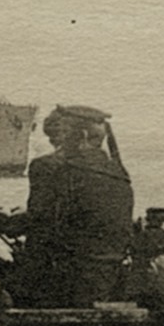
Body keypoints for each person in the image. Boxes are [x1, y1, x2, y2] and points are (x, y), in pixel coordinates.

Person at [13, 105, 135, 307]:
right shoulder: (119, 174)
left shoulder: (55, 169)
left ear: (82, 135)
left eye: (62, 136)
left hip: (64, 284)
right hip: (107, 280)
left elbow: (39, 227)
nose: (58, 144)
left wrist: (3, 222)